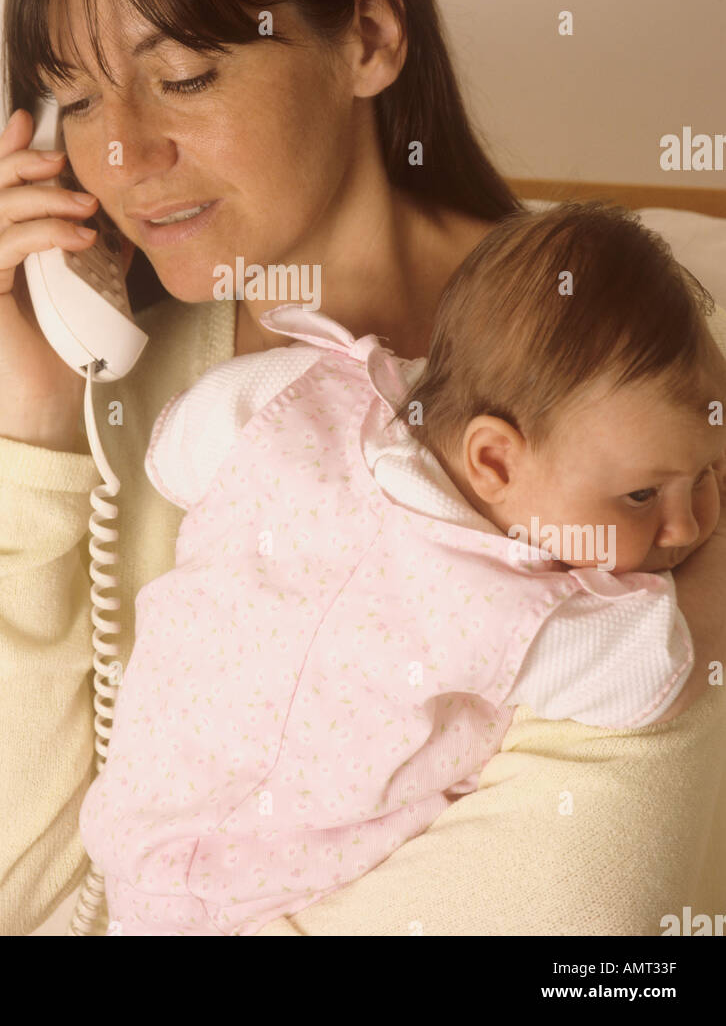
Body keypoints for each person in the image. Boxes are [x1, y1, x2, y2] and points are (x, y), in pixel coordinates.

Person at [0, 0, 726, 936]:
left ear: (369, 37)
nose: (119, 157)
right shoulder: (124, 395)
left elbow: (580, 898)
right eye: (74, 99)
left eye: (182, 75)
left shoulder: (662, 390)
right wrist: (28, 434)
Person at [79, 202, 726, 935]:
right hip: (248, 907)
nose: (691, 522)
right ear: (493, 459)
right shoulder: (517, 614)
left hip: (130, 842)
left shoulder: (304, 392)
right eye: (642, 494)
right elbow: (664, 671)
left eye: (711, 473)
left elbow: (175, 453)